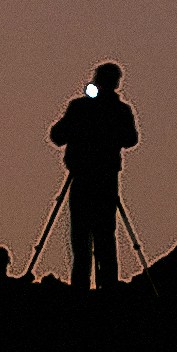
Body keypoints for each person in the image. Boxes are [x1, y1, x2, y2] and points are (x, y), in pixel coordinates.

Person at [49, 64, 136, 294]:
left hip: (91, 179)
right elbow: (58, 135)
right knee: (101, 237)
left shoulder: (86, 108)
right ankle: (104, 289)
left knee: (87, 238)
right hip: (100, 180)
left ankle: (85, 290)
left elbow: (57, 136)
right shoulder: (111, 110)